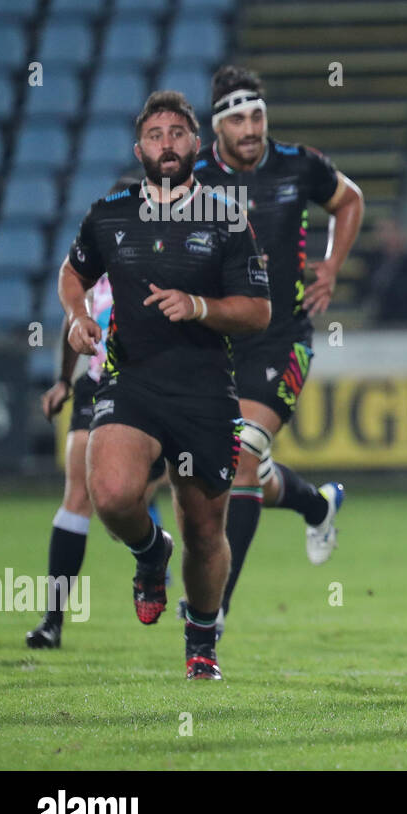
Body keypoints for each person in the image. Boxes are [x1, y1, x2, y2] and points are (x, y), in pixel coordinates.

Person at [58, 90, 271, 678]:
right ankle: (151, 553)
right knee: (112, 494)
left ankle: (201, 643)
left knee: (205, 532)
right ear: (140, 148)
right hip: (133, 382)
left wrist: (199, 305)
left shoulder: (227, 218)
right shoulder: (110, 213)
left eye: (178, 133)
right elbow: (72, 273)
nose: (167, 144)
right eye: (156, 135)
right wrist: (77, 318)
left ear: (196, 146)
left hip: (205, 391)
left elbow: (257, 312)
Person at [192, 65, 364, 624]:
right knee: (237, 469)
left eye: (258, 115)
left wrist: (332, 265)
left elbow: (349, 200)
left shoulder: (298, 164)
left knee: (240, 459)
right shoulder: (191, 180)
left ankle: (214, 610)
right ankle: (316, 504)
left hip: (282, 338)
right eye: (238, 118)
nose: (251, 127)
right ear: (216, 126)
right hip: (214, 344)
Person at [26, 274, 170, 649]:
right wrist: (64, 380)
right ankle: (52, 622)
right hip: (98, 381)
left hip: (154, 387)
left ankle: (154, 548)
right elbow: (76, 316)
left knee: (121, 510)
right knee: (79, 497)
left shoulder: (167, 237)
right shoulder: (97, 241)